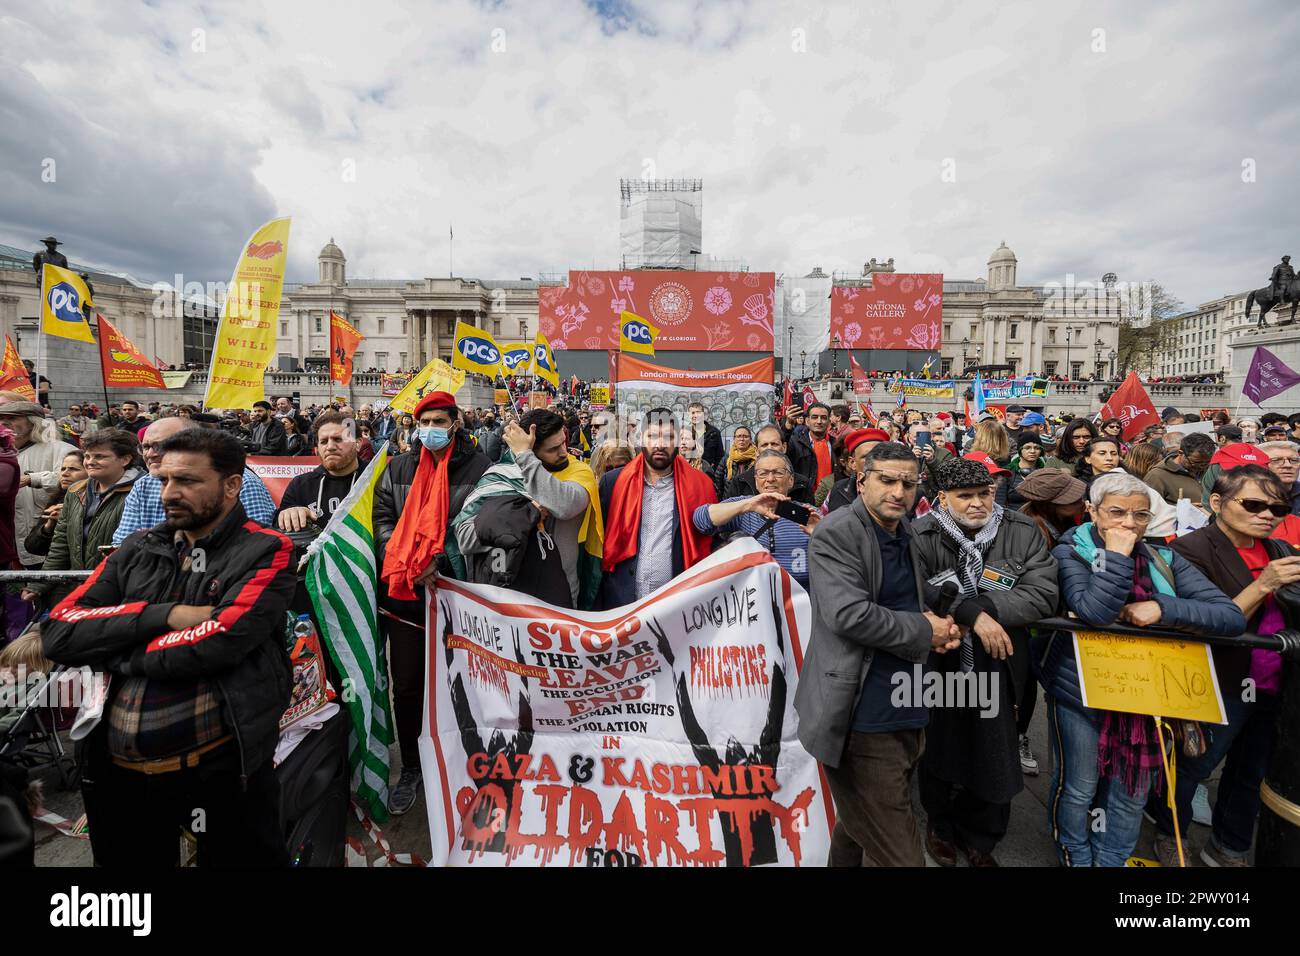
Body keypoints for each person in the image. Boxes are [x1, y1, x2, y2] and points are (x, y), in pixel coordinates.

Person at [40, 429, 296, 867]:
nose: (171, 493)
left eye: (189, 482)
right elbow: (60, 631)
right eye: (164, 481)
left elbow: (219, 641)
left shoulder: (267, 549)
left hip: (221, 771)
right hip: (118, 772)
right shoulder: (138, 547)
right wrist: (165, 616)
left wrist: (116, 649)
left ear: (232, 485)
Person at [1039, 471, 1245, 866]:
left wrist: (1162, 608)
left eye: (1140, 516)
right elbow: (1095, 611)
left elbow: (1230, 616)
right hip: (1082, 692)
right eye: (1116, 513)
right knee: (1080, 786)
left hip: (1149, 694)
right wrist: (1116, 556)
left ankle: (1112, 858)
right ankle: (1075, 855)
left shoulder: (1162, 558)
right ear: (1092, 512)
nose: (1128, 524)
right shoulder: (1071, 552)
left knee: (1130, 791)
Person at [795, 442, 962, 866]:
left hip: (906, 701)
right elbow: (849, 615)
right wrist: (926, 630)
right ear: (861, 480)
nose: (899, 492)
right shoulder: (837, 533)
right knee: (902, 855)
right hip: (862, 717)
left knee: (855, 827)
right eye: (887, 480)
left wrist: (938, 626)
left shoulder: (902, 529)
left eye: (908, 483)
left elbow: (905, 600)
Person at [911, 456, 1058, 867]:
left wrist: (986, 607)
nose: (977, 503)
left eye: (984, 493)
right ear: (943, 497)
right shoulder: (920, 534)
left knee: (995, 747)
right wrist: (971, 616)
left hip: (1001, 659)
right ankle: (940, 824)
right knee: (941, 741)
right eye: (965, 496)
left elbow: (1043, 592)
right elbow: (917, 589)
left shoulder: (1022, 530)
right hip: (943, 657)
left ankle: (982, 835)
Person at [1154, 465, 1297, 867]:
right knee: (1192, 767)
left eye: (1278, 508)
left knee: (1252, 772)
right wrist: (1263, 584)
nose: (1267, 514)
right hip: (1218, 680)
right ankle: (1170, 831)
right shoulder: (1188, 551)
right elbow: (1203, 618)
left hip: (1273, 682)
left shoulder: (1279, 549)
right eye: (1254, 504)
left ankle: (1228, 846)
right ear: (1217, 503)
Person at [374, 391, 489, 815]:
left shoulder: (479, 468)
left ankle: (464, 762)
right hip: (405, 597)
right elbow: (382, 518)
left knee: (461, 685)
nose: (432, 430)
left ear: (456, 423)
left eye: (440, 421)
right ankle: (412, 769)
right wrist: (406, 559)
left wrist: (438, 560)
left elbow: (480, 522)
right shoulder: (398, 468)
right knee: (407, 685)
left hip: (458, 596)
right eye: (425, 422)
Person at [453, 409, 602, 609]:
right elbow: (465, 539)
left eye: (563, 442)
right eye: (553, 449)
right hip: (509, 597)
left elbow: (564, 505)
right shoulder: (499, 476)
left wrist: (525, 458)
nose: (564, 452)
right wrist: (522, 517)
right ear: (531, 450)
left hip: (560, 597)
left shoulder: (578, 471)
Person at [597, 409, 718, 610]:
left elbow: (711, 541)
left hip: (677, 605)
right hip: (621, 604)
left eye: (668, 437)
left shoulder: (701, 486)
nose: (660, 444)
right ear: (641, 438)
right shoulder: (613, 482)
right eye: (652, 436)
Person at [23, 429, 143, 609]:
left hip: (120, 592)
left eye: (100, 456)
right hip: (77, 588)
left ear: (125, 459)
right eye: (87, 456)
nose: (91, 462)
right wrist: (41, 583)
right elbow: (61, 543)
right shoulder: (75, 491)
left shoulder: (142, 491)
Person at [113, 417, 276, 545]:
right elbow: (123, 544)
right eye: (145, 446)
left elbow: (255, 541)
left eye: (161, 446)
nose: (149, 454)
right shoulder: (143, 484)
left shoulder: (244, 483)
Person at [692, 450, 820, 589]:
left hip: (799, 601)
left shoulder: (811, 515)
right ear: (756, 481)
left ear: (791, 480)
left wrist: (820, 535)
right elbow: (701, 520)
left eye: (778, 472)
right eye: (763, 473)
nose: (770, 479)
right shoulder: (744, 506)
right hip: (752, 600)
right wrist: (748, 505)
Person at [0, 400, 79, 570]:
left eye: (12, 417)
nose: (4, 422)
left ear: (33, 423)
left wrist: (31, 479)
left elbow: (73, 479)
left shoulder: (60, 449)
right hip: (8, 540)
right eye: (1, 418)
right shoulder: (4, 454)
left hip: (45, 539)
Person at [275, 412, 361, 532]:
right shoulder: (300, 485)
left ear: (357, 444)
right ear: (317, 449)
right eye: (324, 442)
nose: (330, 447)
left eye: (338, 439)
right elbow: (280, 530)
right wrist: (290, 513)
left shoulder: (380, 479)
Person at [725, 424, 814, 504]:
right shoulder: (740, 482)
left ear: (784, 447)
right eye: (764, 445)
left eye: (774, 444)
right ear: (756, 450)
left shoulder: (802, 484)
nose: (770, 448)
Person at [23, 450, 86, 558]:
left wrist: (71, 518)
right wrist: (48, 526)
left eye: (73, 469)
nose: (65, 473)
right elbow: (32, 547)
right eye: (62, 469)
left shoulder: (96, 502)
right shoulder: (57, 500)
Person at [823, 428, 888, 513]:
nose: (876, 460)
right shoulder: (838, 489)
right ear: (853, 463)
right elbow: (824, 518)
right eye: (867, 456)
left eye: (881, 455)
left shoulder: (900, 491)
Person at [1144, 432, 1213, 506]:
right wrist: (1181, 509)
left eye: (1206, 462)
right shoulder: (1156, 476)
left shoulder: (1210, 469)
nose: (1201, 466)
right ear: (1181, 453)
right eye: (1196, 462)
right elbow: (1148, 507)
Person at [789, 402, 833, 491]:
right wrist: (787, 426)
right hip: (803, 497)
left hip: (830, 499)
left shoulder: (836, 444)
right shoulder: (795, 442)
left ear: (829, 422)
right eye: (814, 417)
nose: (819, 421)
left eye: (824, 418)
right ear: (807, 421)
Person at [678, 425, 726, 500]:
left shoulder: (703, 465)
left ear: (694, 442)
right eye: (680, 439)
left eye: (687, 439)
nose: (683, 442)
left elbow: (713, 492)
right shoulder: (670, 465)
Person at [687, 402, 724, 469]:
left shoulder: (714, 432)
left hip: (708, 473)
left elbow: (720, 456)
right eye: (692, 413)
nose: (695, 415)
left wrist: (713, 471)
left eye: (698, 412)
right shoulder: (685, 432)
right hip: (689, 471)